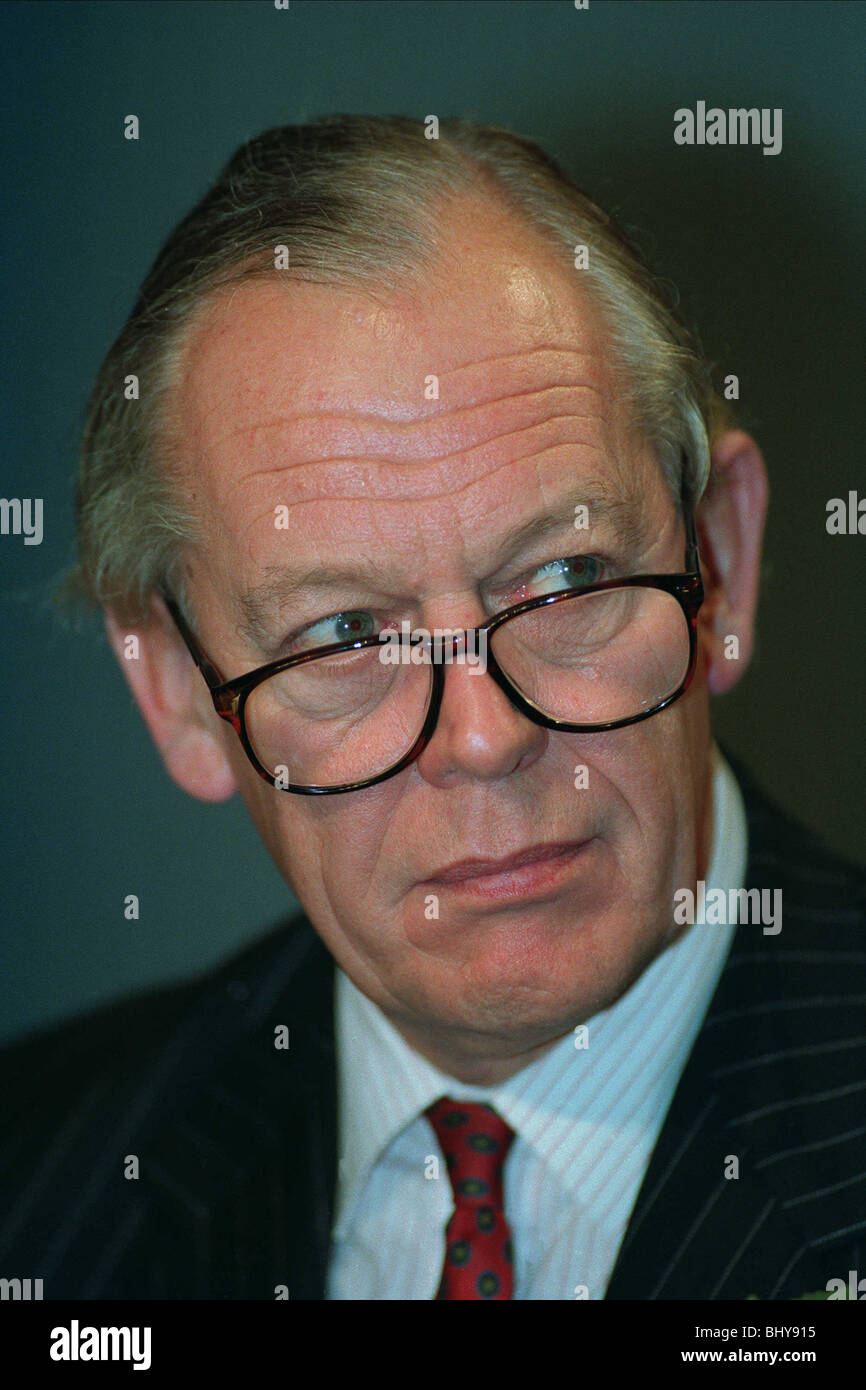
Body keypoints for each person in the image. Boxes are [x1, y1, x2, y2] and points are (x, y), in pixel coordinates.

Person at [2, 116, 863, 1301]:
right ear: (178, 694)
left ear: (718, 555)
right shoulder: (41, 1185)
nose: (483, 737)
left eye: (565, 579)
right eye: (345, 636)